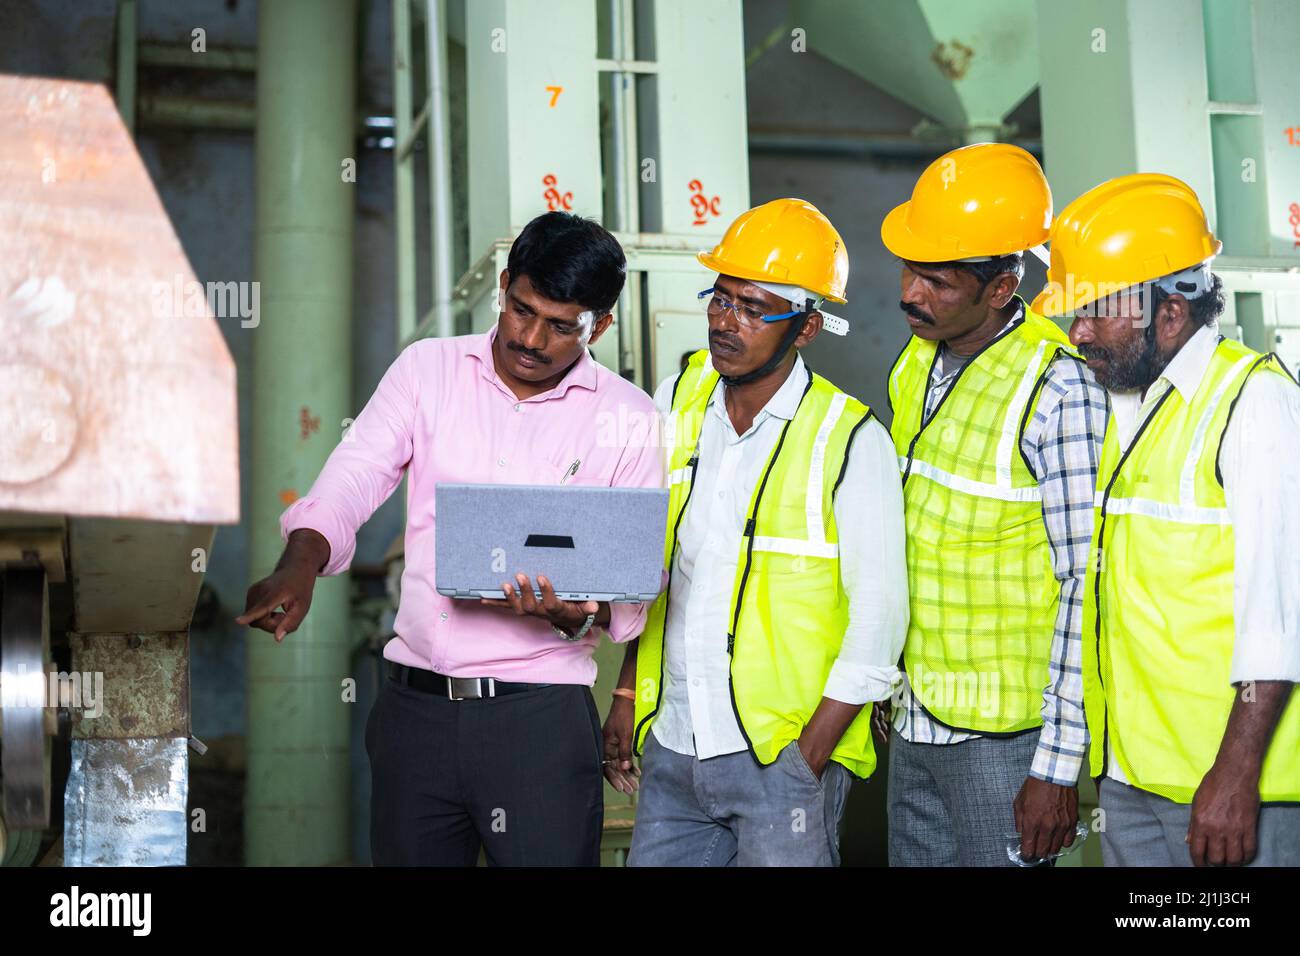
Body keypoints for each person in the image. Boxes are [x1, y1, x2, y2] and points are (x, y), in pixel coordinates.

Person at [238, 211, 663, 866]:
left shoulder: (628, 420)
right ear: (502, 285)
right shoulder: (426, 372)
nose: (530, 338)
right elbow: (354, 476)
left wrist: (574, 615)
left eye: (560, 326)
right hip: (416, 718)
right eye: (521, 310)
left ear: (599, 326)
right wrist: (301, 558)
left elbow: (634, 592)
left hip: (540, 725)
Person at [607, 198, 909, 867]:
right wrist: (627, 695)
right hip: (675, 746)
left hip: (781, 760)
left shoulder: (850, 439)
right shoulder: (676, 399)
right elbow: (658, 575)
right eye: (721, 298)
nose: (725, 321)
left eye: (753, 307)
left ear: (804, 328)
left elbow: (880, 620)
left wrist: (808, 760)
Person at [1035, 172, 1300, 866]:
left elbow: (1278, 612)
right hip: (1133, 779)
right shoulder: (1133, 405)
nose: (1077, 331)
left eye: (1094, 312)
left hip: (1232, 788)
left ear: (1170, 315)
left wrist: (1235, 774)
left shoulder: (1254, 404)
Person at [878, 143, 1109, 866]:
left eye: (937, 281)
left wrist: (1056, 766)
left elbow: (1085, 583)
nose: (911, 293)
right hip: (915, 721)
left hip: (1009, 745)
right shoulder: (918, 360)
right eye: (909, 269)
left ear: (1004, 285)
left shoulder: (1060, 390)